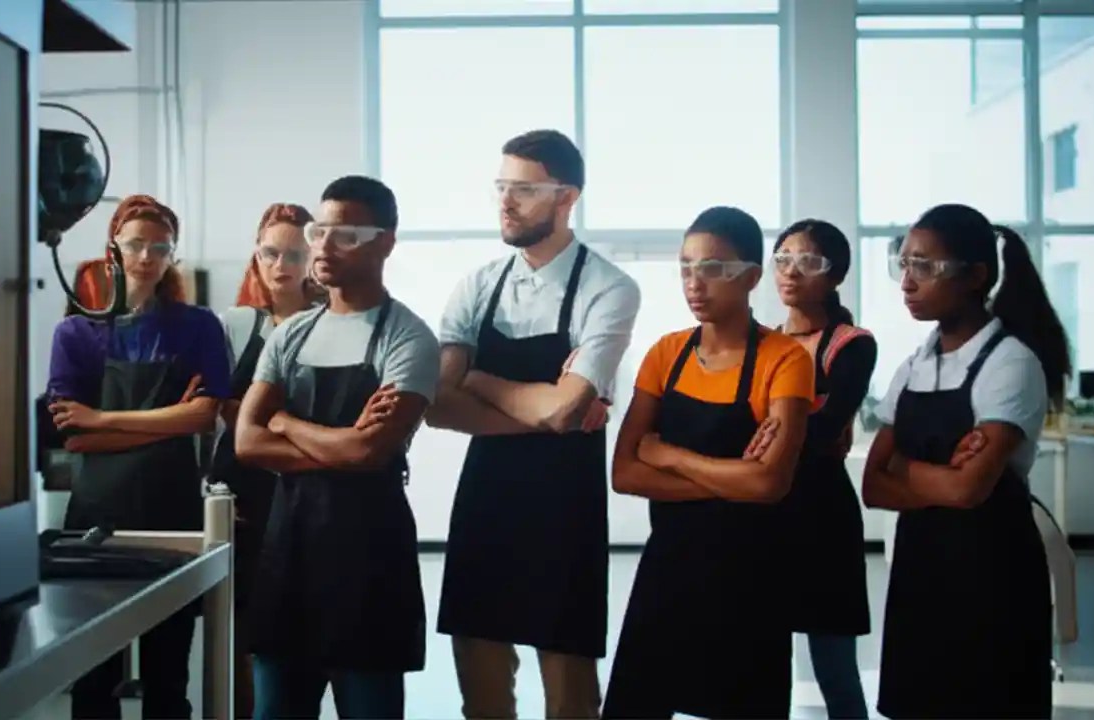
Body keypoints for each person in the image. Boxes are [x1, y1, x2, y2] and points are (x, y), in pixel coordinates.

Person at [429, 129, 641, 719]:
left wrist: (480, 379)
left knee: (570, 692)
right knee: (481, 688)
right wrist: (542, 409)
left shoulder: (609, 288)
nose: (506, 201)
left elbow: (565, 408)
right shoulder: (477, 286)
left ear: (566, 196)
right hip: (485, 502)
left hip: (564, 509)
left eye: (523, 190)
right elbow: (438, 404)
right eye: (501, 187)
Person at [235, 176, 439, 720]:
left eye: (344, 235)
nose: (323, 246)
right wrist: (341, 442)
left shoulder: (408, 338)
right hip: (289, 551)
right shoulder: (290, 335)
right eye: (319, 231)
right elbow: (247, 441)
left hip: (369, 560)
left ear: (384, 243)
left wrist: (285, 421)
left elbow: (370, 453)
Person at [603, 206, 813, 720]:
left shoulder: (785, 359)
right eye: (686, 267)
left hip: (750, 581)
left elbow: (770, 484)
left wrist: (669, 456)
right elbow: (625, 473)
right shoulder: (666, 354)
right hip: (667, 572)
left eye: (713, 268)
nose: (695, 283)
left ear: (751, 277)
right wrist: (733, 478)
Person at [862, 203, 1069, 719]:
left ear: (976, 275)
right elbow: (872, 485)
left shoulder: (1010, 362)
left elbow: (968, 490)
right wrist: (936, 475)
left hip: (993, 572)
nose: (907, 282)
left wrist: (904, 466)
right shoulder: (915, 365)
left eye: (925, 266)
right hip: (919, 570)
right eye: (903, 264)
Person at [46, 194, 232, 720]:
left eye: (160, 247)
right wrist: (168, 419)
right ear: (113, 248)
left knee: (168, 677)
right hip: (97, 517)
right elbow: (74, 438)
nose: (147, 256)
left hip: (173, 514)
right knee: (94, 676)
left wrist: (101, 418)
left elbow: (203, 417)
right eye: (135, 244)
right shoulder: (76, 333)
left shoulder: (197, 325)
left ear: (173, 254)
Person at [211, 202, 325, 718]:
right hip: (243, 489)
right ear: (256, 256)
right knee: (244, 623)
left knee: (305, 614)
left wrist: (266, 421)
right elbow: (226, 410)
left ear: (313, 257)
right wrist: (289, 426)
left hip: (308, 485)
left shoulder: (330, 323)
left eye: (294, 255)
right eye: (271, 253)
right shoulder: (237, 324)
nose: (282, 265)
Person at [771, 220, 875, 719]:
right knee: (760, 660)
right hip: (765, 508)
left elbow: (826, 427)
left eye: (808, 261)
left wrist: (773, 428)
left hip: (822, 512)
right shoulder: (762, 341)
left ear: (836, 275)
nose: (792, 271)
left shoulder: (851, 343)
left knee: (835, 667)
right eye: (783, 259)